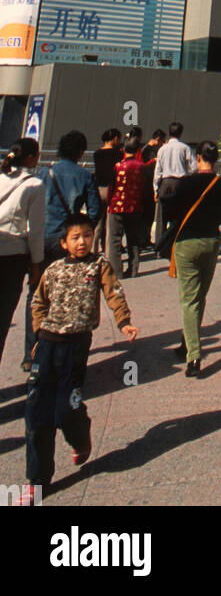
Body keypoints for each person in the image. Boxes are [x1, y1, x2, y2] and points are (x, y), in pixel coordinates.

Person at [21, 212, 138, 504]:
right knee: (36, 411)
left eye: (87, 235)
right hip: (47, 344)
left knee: (66, 409)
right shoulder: (54, 269)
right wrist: (36, 339)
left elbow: (114, 293)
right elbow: (38, 303)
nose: (82, 241)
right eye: (75, 237)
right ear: (64, 243)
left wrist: (123, 321)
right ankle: (37, 480)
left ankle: (80, 430)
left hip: (76, 346)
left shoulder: (99, 266)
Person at [24, 131, 100, 369]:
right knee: (67, 293)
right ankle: (60, 351)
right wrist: (79, 237)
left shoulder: (44, 173)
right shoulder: (85, 176)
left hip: (39, 239)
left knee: (37, 294)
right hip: (63, 241)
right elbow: (95, 211)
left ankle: (31, 352)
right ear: (80, 152)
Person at [160, 141, 221, 377]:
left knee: (189, 300)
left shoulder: (185, 183)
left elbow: (172, 213)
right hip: (211, 242)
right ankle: (186, 342)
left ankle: (194, 357)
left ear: (198, 156)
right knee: (200, 296)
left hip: (187, 243)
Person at [0, 139, 44, 367]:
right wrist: (36, 264)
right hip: (13, 257)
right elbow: (35, 230)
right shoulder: (34, 185)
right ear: (30, 158)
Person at [106, 133, 146, 279]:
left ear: (123, 149)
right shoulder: (141, 166)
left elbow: (112, 186)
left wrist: (109, 203)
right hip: (135, 206)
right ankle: (134, 269)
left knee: (115, 239)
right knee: (133, 239)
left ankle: (117, 271)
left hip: (117, 205)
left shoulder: (118, 166)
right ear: (137, 150)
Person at [92, 129, 122, 253]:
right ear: (115, 138)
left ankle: (93, 251)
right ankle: (109, 253)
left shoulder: (97, 153)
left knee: (98, 224)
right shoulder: (118, 154)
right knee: (110, 225)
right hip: (112, 190)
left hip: (99, 189)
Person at [153, 121, 196, 203]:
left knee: (164, 211)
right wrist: (187, 176)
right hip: (180, 182)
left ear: (169, 133)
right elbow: (194, 168)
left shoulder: (162, 149)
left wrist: (155, 189)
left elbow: (157, 171)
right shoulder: (185, 148)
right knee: (179, 210)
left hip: (165, 183)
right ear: (180, 133)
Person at [139, 130, 165, 251]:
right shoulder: (147, 150)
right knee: (146, 214)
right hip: (147, 185)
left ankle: (145, 239)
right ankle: (143, 240)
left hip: (148, 185)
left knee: (148, 214)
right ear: (158, 139)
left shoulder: (147, 149)